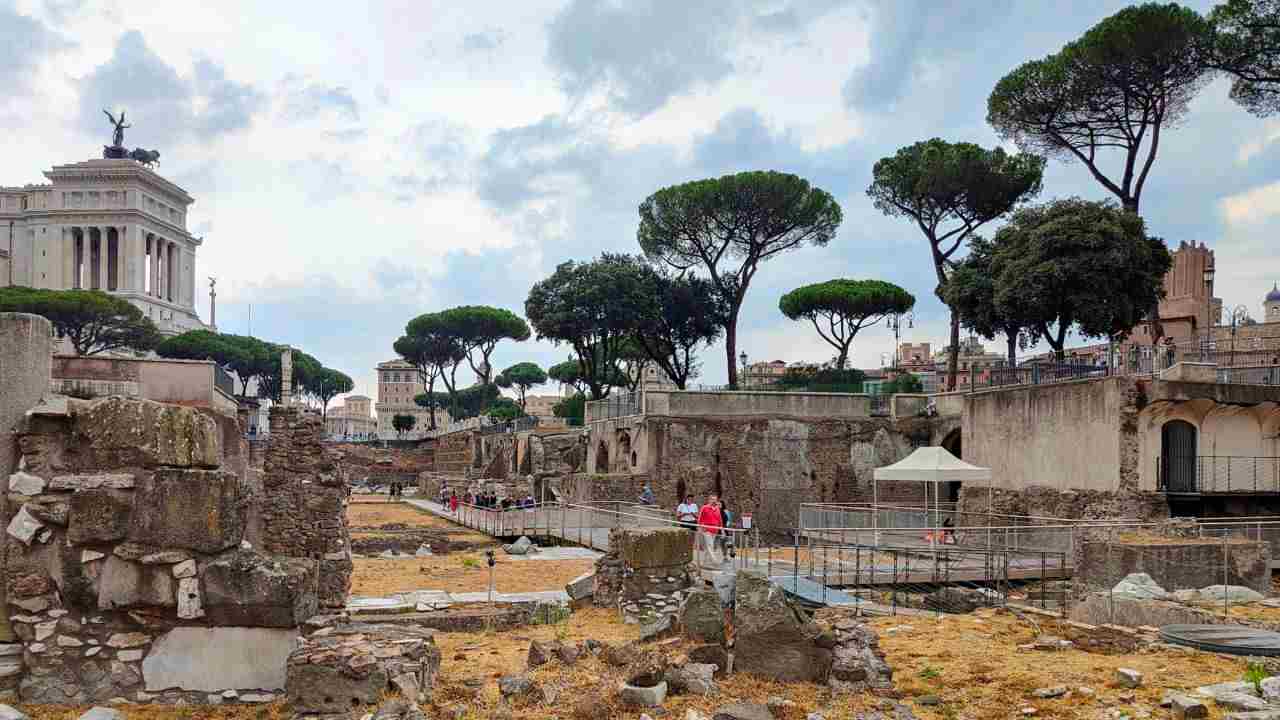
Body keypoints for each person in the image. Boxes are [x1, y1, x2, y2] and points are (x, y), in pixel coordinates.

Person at [695, 494, 724, 567]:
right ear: (709, 500)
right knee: (710, 545)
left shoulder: (717, 509)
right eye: (712, 499)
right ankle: (715, 561)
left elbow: (720, 520)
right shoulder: (704, 507)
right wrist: (700, 528)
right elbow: (700, 519)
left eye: (715, 499)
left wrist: (722, 530)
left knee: (709, 546)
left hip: (715, 530)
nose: (714, 501)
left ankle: (704, 563)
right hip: (706, 529)